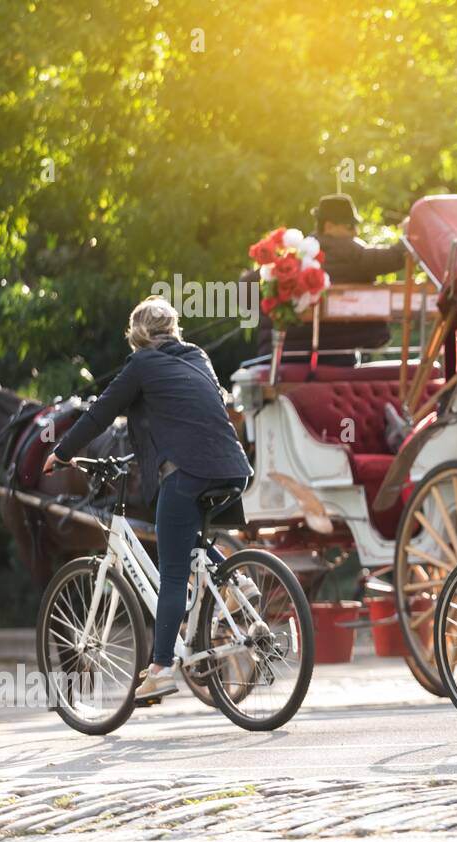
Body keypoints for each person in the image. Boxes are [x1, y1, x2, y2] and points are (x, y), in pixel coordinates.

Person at [44, 296, 253, 700]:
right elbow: (186, 413)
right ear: (173, 329)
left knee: (172, 571)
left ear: (137, 335)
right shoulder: (198, 357)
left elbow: (100, 414)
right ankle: (237, 581)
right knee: (188, 542)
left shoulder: (141, 364)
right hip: (234, 469)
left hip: (187, 473)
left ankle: (159, 669)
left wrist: (63, 452)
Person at [251, 193, 407, 358]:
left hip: (278, 354)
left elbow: (246, 286)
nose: (356, 232)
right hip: (331, 355)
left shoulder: (293, 256)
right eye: (350, 226)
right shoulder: (352, 253)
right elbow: (394, 258)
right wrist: (408, 237)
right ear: (329, 226)